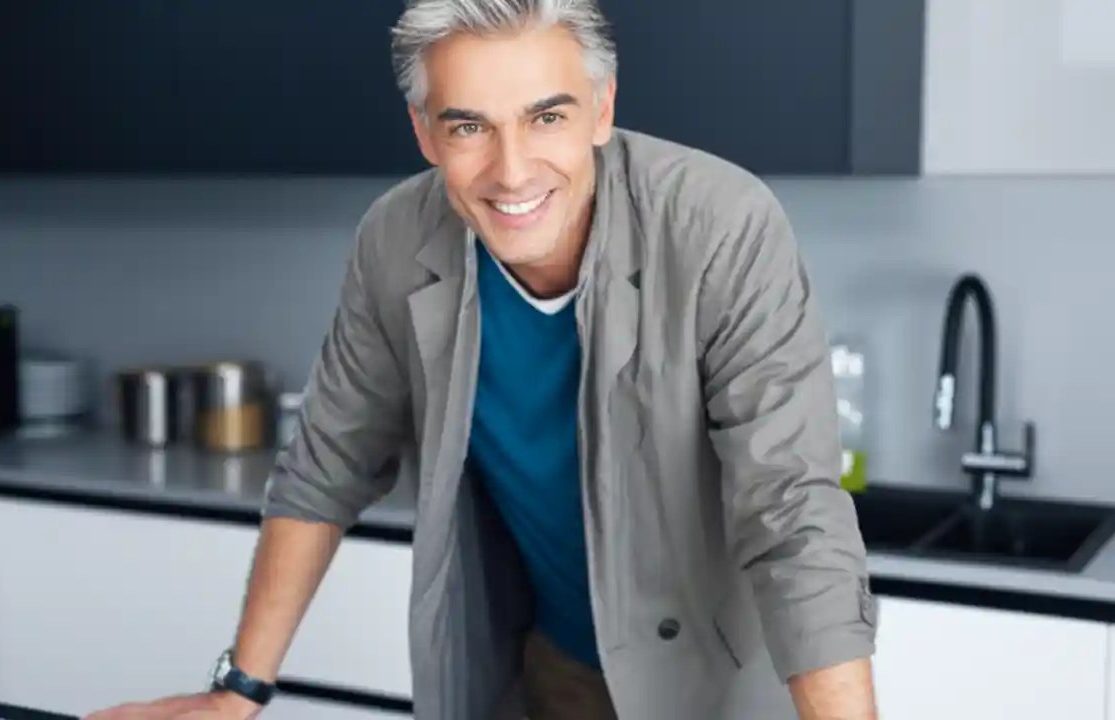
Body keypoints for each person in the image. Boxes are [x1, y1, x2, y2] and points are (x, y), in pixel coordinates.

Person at [88, 0, 879, 718]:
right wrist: (238, 693)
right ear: (425, 131)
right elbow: (324, 467)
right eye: (469, 126)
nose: (511, 170)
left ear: (602, 109)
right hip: (556, 670)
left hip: (724, 687)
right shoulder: (396, 241)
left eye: (546, 117)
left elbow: (793, 513)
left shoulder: (720, 225)